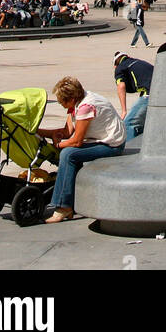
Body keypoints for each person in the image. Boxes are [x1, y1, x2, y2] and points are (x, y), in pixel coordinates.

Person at [39, 76, 126, 223]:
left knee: (68, 154)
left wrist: (58, 145)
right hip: (97, 139)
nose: (61, 105)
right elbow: (67, 132)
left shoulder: (86, 106)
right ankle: (69, 200)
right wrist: (38, 132)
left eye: (62, 102)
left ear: (72, 99)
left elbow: (77, 141)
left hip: (112, 144)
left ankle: (63, 207)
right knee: (68, 153)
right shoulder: (77, 102)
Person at [113, 51, 153, 139]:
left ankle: (130, 149)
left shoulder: (119, 68)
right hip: (161, 91)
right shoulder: (139, 62)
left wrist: (124, 111)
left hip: (150, 94)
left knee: (128, 124)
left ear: (115, 66)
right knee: (145, 123)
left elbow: (121, 86)